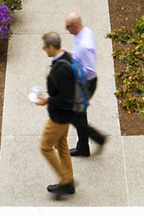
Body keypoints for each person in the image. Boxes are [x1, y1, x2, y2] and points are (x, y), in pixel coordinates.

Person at [35, 30, 78, 198]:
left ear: (51, 47)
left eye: (45, 47)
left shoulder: (61, 69)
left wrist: (47, 101)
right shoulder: (64, 57)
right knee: (61, 144)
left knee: (45, 147)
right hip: (65, 115)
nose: (44, 50)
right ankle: (69, 181)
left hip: (59, 117)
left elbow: (65, 98)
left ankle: (66, 180)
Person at [63, 11, 107, 157]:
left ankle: (98, 138)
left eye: (68, 26)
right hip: (83, 83)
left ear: (75, 25)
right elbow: (80, 57)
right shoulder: (85, 32)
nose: (66, 29)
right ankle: (83, 148)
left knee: (75, 116)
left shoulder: (84, 45)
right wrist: (70, 55)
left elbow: (89, 71)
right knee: (79, 115)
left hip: (85, 84)